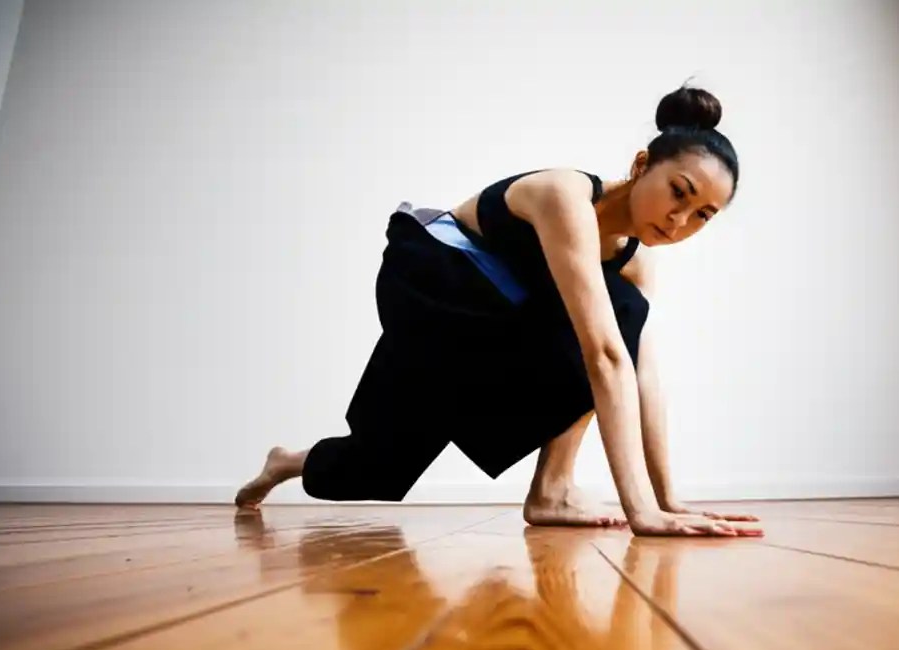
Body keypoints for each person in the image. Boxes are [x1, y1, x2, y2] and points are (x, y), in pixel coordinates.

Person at [236, 84, 762, 537]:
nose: (680, 219)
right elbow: (604, 356)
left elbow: (642, 374)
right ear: (641, 165)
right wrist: (640, 510)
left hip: (501, 324)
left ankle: (552, 489)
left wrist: (669, 501)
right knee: (608, 327)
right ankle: (290, 462)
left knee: (376, 472)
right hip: (438, 291)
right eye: (679, 192)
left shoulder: (633, 265)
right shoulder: (565, 195)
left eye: (703, 216)